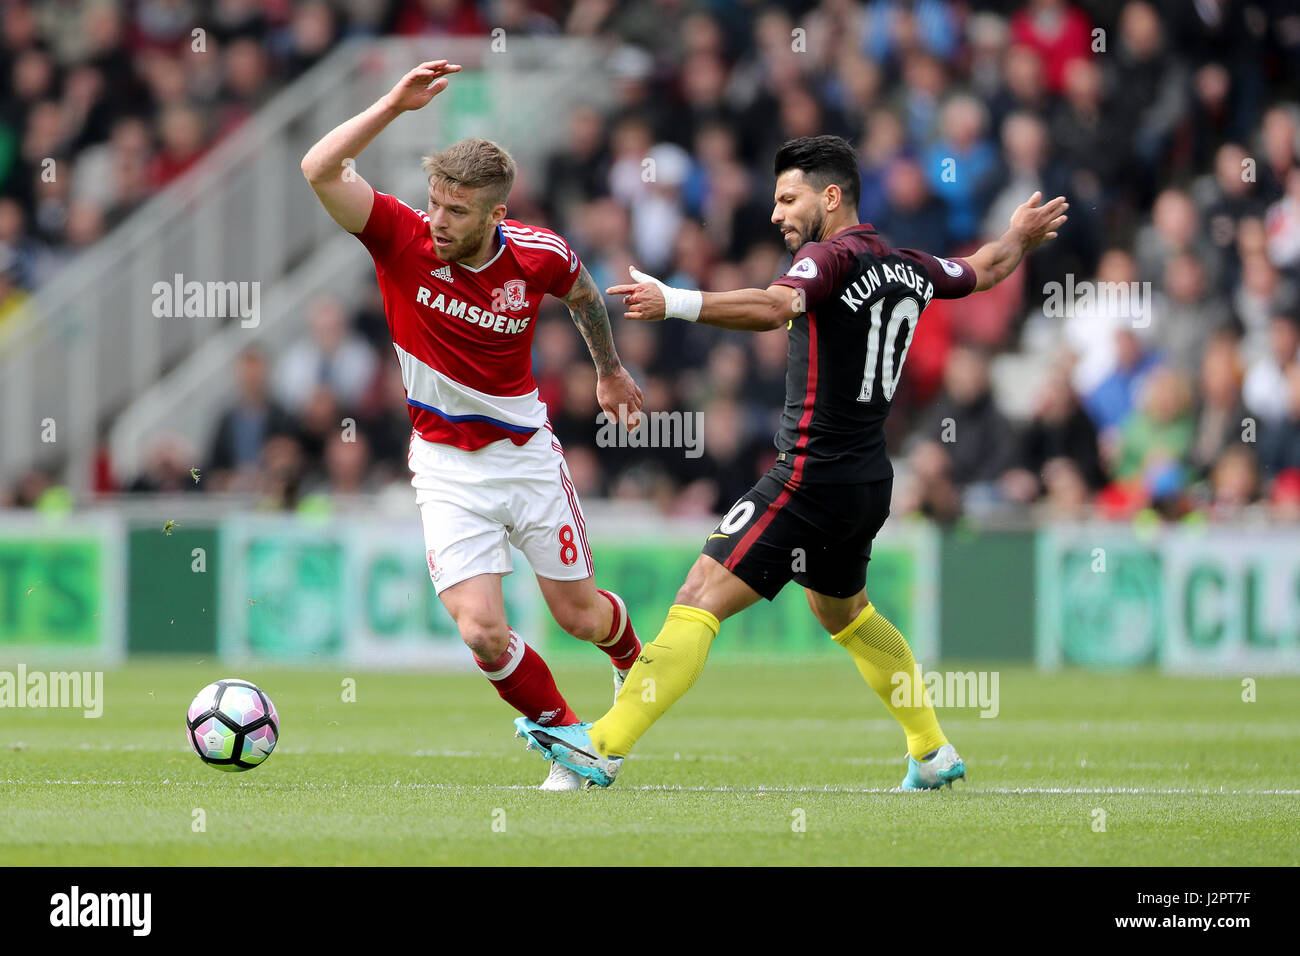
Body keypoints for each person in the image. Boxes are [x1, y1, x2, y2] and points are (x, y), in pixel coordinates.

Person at [516, 135, 1067, 790]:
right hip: (867, 480)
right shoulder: (909, 263)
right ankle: (932, 750)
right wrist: (1020, 236)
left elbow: (777, 306)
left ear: (830, 197)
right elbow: (989, 265)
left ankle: (600, 747)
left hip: (810, 474)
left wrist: (679, 301)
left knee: (699, 595)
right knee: (844, 613)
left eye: (788, 198)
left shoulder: (827, 258)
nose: (777, 214)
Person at [300, 60, 646, 791]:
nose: (439, 220)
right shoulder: (399, 237)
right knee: (483, 631)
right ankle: (571, 746)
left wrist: (608, 369)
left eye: (457, 211)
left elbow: (583, 293)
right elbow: (319, 168)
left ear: (496, 214)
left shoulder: (536, 253)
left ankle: (631, 665)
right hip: (446, 467)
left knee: (580, 615)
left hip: (525, 459)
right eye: (434, 202)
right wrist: (393, 104)